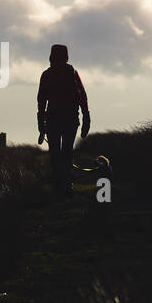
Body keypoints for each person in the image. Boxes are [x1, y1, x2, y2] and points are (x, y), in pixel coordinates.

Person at [36, 44, 90, 198]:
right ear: (66, 56)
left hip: (53, 119)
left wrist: (41, 122)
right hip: (70, 118)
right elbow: (82, 96)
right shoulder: (72, 73)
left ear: (51, 56)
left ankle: (59, 185)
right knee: (66, 152)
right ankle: (66, 185)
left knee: (55, 153)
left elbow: (41, 100)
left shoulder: (47, 75)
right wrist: (86, 116)